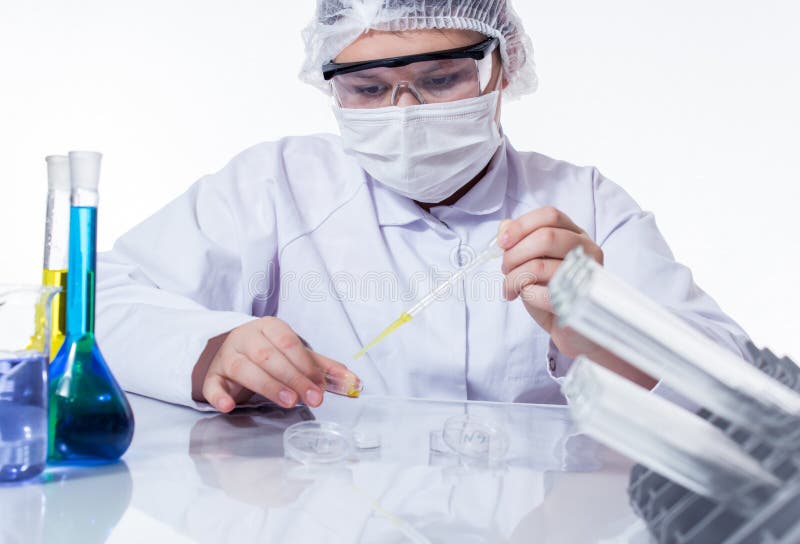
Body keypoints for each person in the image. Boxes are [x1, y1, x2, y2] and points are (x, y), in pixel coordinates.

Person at [96, 0, 750, 412]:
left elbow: (744, 394)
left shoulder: (584, 207)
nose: (403, 115)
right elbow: (97, 303)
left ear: (503, 65)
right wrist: (211, 349)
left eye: (441, 79)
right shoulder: (273, 187)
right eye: (369, 87)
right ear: (330, 81)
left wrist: (602, 328)